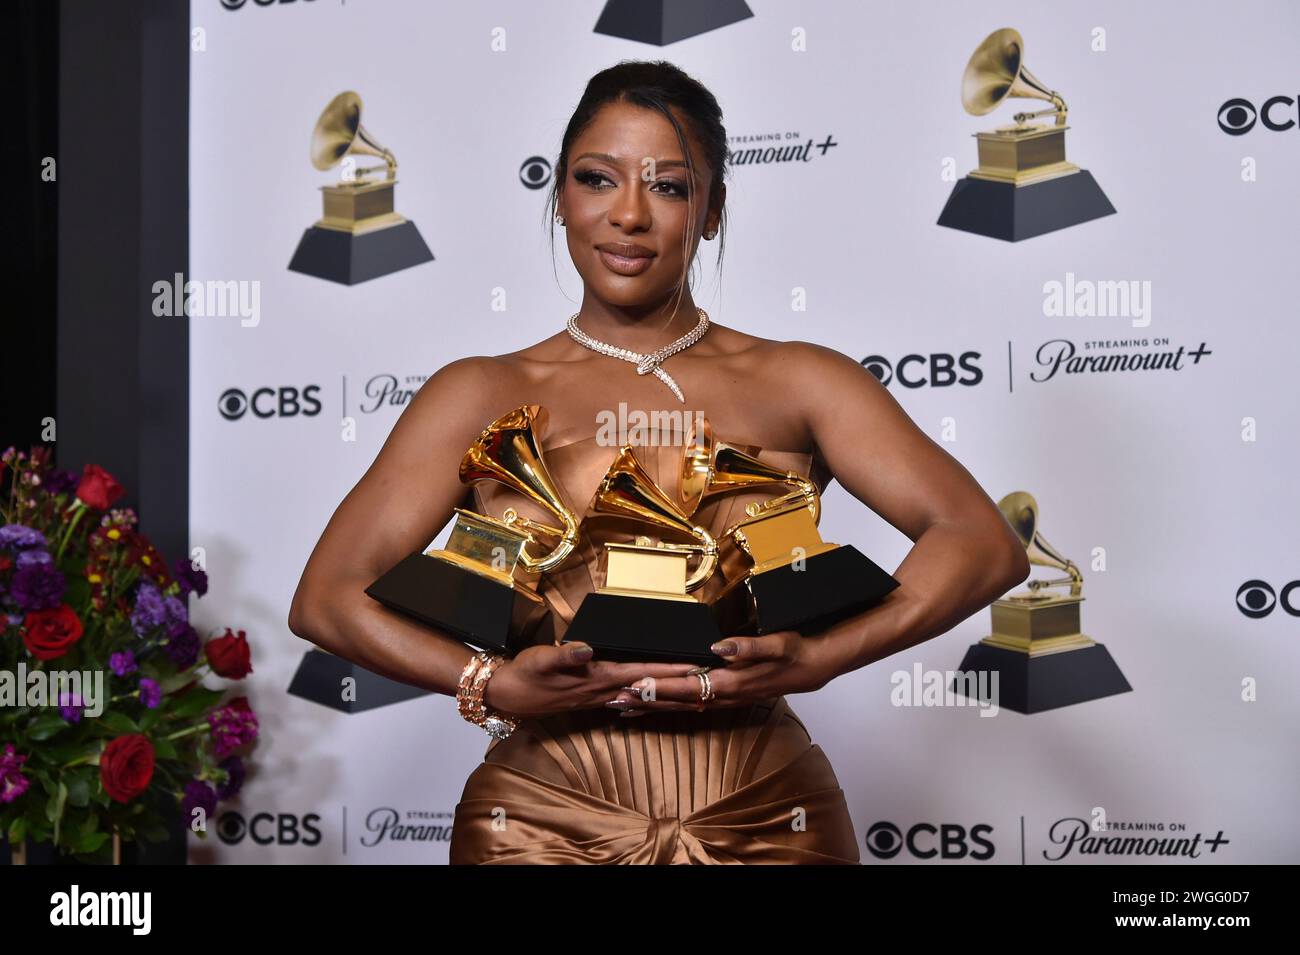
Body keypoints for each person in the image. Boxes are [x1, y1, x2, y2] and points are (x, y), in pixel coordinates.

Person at [287, 60, 1029, 864]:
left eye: (670, 188)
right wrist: (488, 683)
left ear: (711, 212)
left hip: (765, 813)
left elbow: (980, 542)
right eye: (596, 179)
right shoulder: (480, 392)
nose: (629, 215)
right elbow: (326, 598)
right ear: (561, 196)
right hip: (537, 824)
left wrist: (820, 658)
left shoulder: (802, 380)